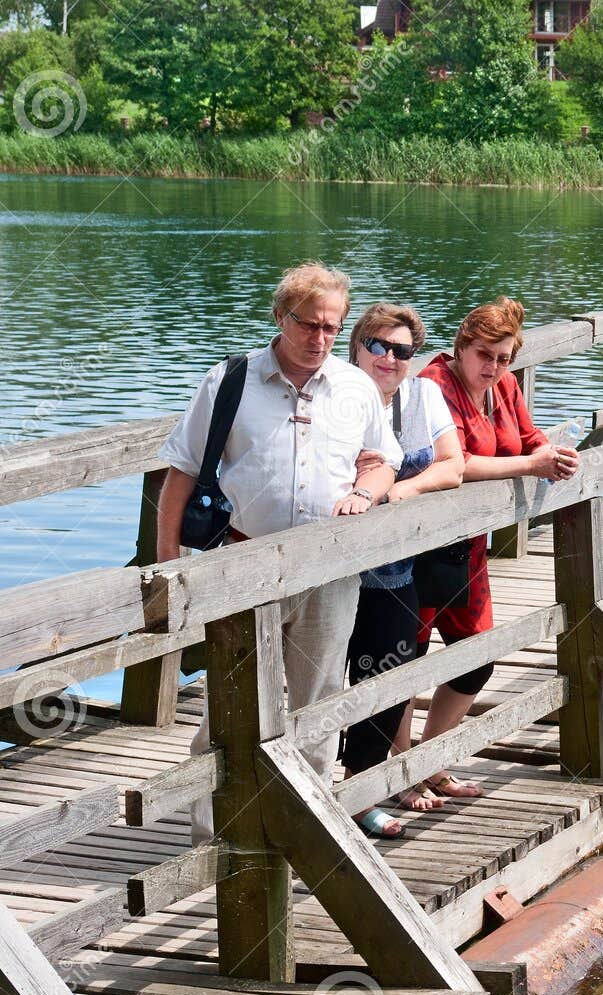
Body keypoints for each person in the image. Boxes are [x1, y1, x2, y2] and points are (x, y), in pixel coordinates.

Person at [157, 262, 402, 846]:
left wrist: (365, 492)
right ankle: (213, 838)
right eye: (308, 325)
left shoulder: (355, 387)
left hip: (328, 571)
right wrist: (167, 562)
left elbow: (383, 459)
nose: (319, 339)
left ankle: (304, 836)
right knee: (229, 709)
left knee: (317, 709)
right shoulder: (230, 382)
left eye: (331, 328)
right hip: (243, 567)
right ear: (280, 316)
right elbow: (182, 471)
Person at [400, 297, 579, 808]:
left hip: (469, 546)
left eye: (503, 358)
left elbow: (527, 438)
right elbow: (456, 464)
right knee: (404, 661)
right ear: (460, 346)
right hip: (419, 544)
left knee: (475, 659)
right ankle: (397, 774)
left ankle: (432, 761)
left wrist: (555, 453)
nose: (493, 367)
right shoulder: (433, 386)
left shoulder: (504, 385)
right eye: (484, 355)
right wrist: (530, 466)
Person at [339, 303, 466, 836]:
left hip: (393, 568)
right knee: (320, 685)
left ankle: (361, 790)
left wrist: (402, 490)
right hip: (332, 563)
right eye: (378, 346)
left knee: (389, 674)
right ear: (358, 346)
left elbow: (453, 464)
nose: (389, 358)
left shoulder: (421, 395)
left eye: (402, 351)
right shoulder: (336, 393)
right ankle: (313, 797)